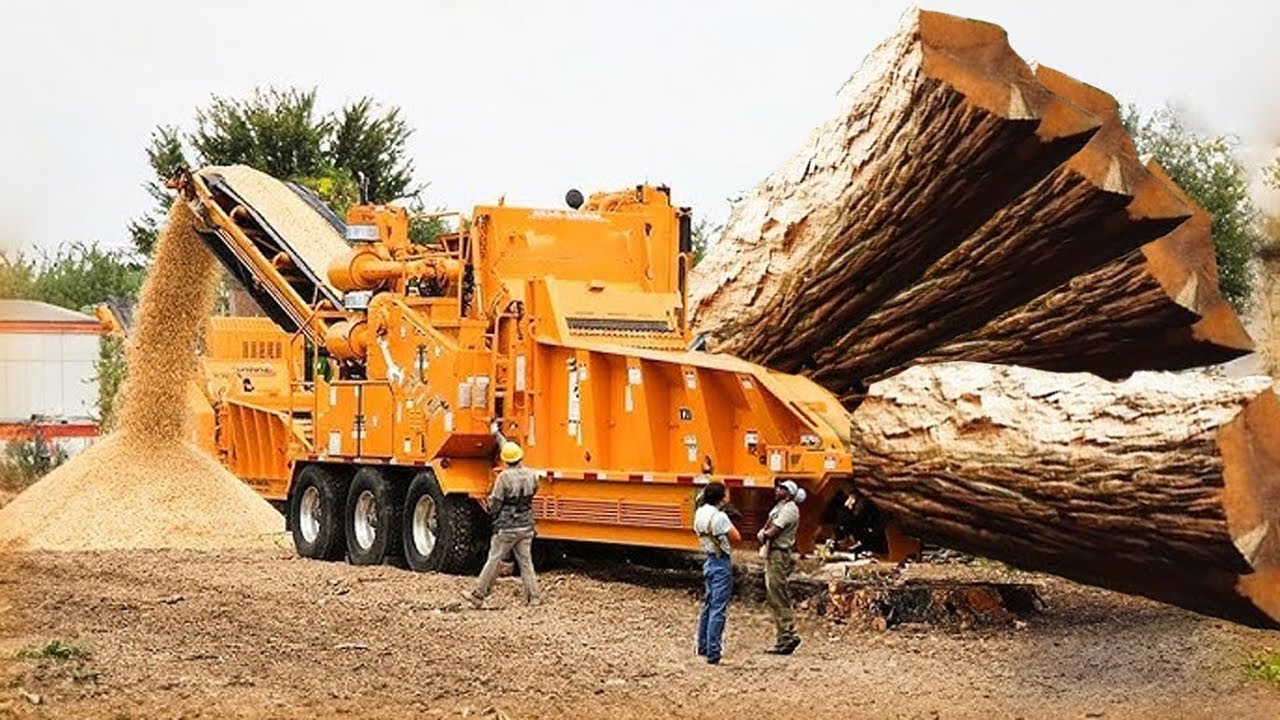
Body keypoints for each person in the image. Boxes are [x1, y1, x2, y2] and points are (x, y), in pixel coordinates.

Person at [462, 441, 541, 608]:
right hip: (526, 525)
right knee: (526, 562)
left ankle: (478, 596)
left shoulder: (504, 478)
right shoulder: (532, 475)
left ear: (505, 460)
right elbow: (533, 493)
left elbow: (496, 503)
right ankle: (534, 598)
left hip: (507, 527)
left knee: (494, 560)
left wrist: (488, 505)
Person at [693, 481, 741, 665]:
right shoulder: (720, 517)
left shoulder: (699, 513)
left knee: (708, 604)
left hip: (709, 559)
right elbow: (736, 537)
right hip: (721, 562)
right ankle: (714, 652)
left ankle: (703, 646)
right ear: (722, 497)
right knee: (718, 608)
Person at [757, 480, 805, 655]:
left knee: (777, 594)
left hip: (779, 554)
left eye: (782, 488)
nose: (777, 490)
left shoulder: (789, 510)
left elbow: (773, 531)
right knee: (775, 594)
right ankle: (785, 635)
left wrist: (762, 535)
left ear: (790, 493)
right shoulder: (782, 507)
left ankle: (787, 634)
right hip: (775, 553)